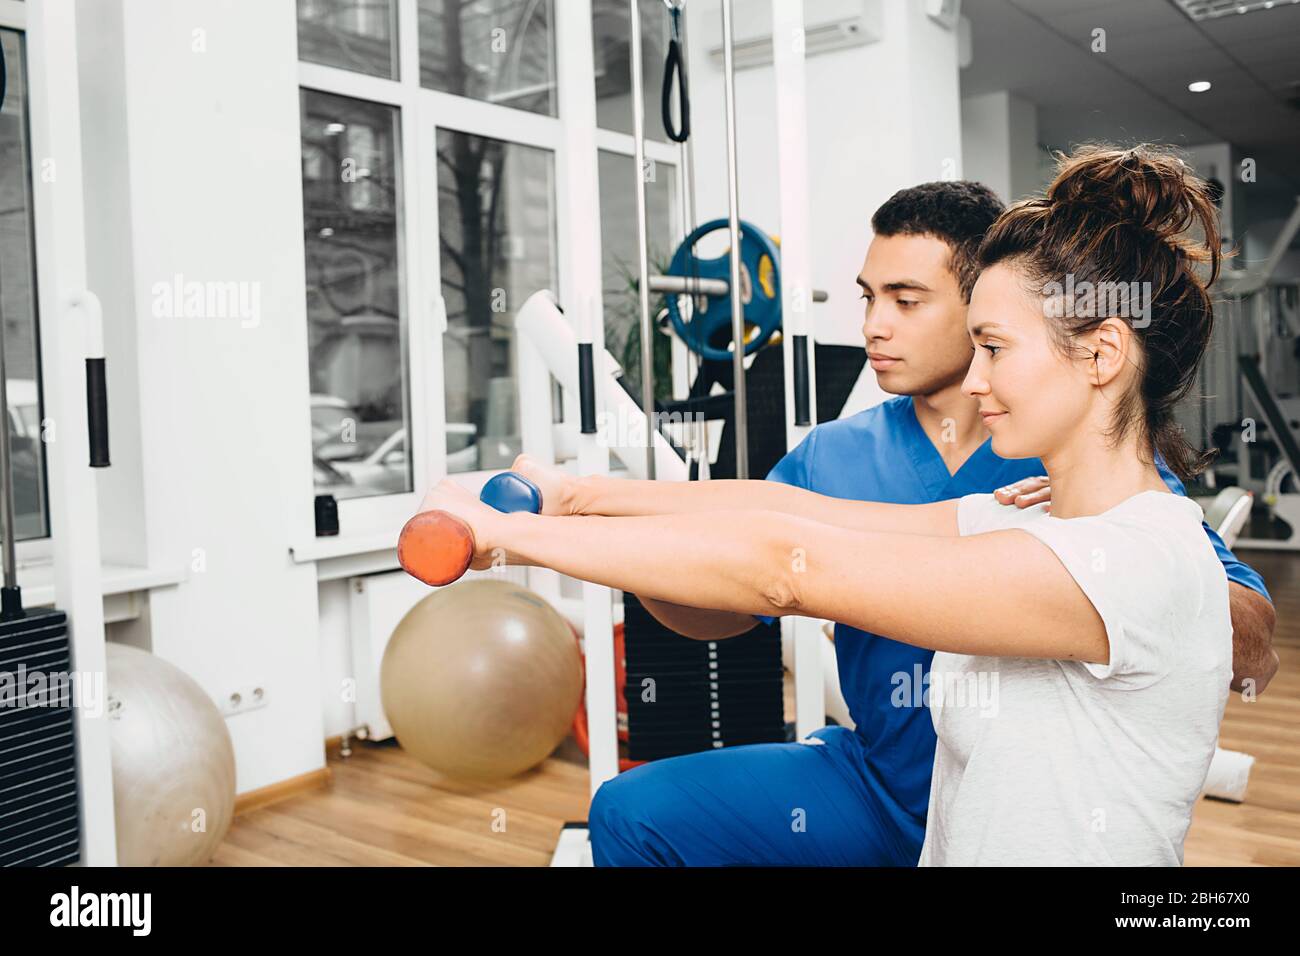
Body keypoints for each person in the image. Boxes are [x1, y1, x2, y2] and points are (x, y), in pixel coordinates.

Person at [420, 145, 1269, 865]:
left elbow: (785, 571)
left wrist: (514, 538)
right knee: (637, 809)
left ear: (1102, 353)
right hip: (910, 805)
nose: (977, 380)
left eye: (994, 347)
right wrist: (583, 495)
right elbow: (788, 518)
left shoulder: (1135, 554)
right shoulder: (1029, 512)